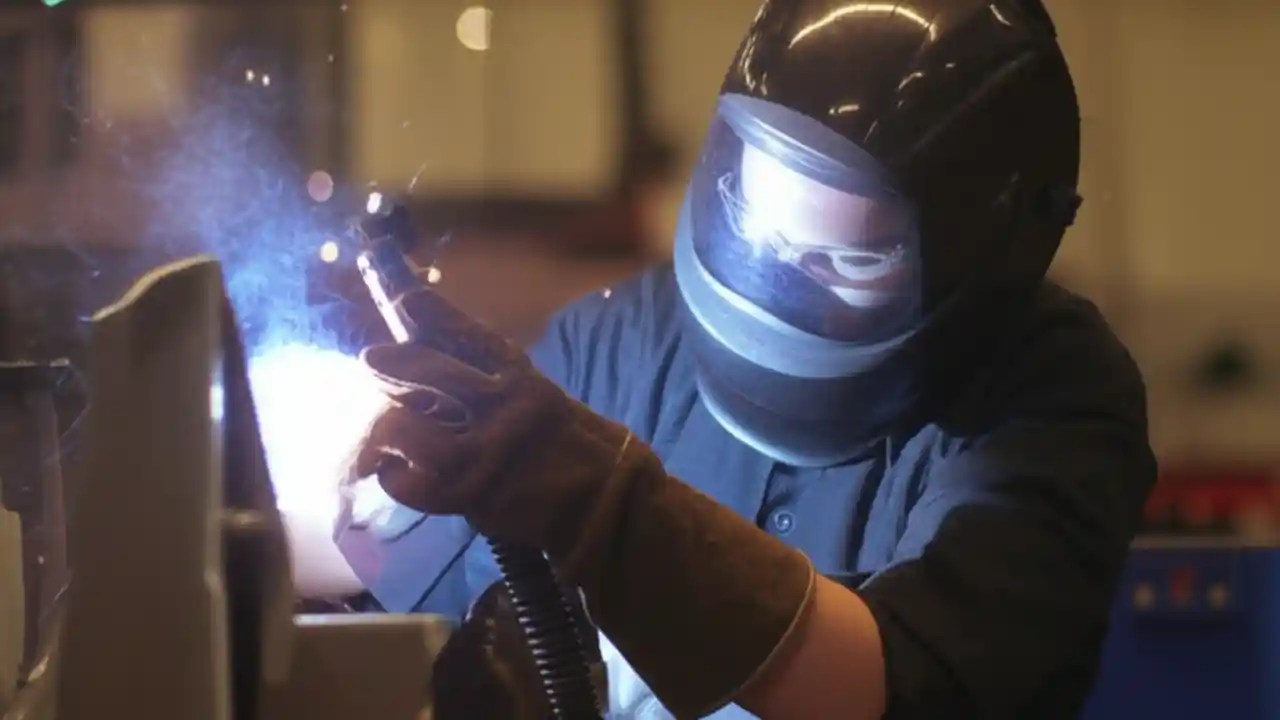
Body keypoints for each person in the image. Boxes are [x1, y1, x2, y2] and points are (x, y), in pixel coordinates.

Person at [340, 0, 1157, 717]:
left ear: (977, 254)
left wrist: (604, 504)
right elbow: (421, 594)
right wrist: (364, 488)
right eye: (756, 223)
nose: (780, 283)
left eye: (851, 261)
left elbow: (895, 688)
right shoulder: (625, 336)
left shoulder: (1053, 393)